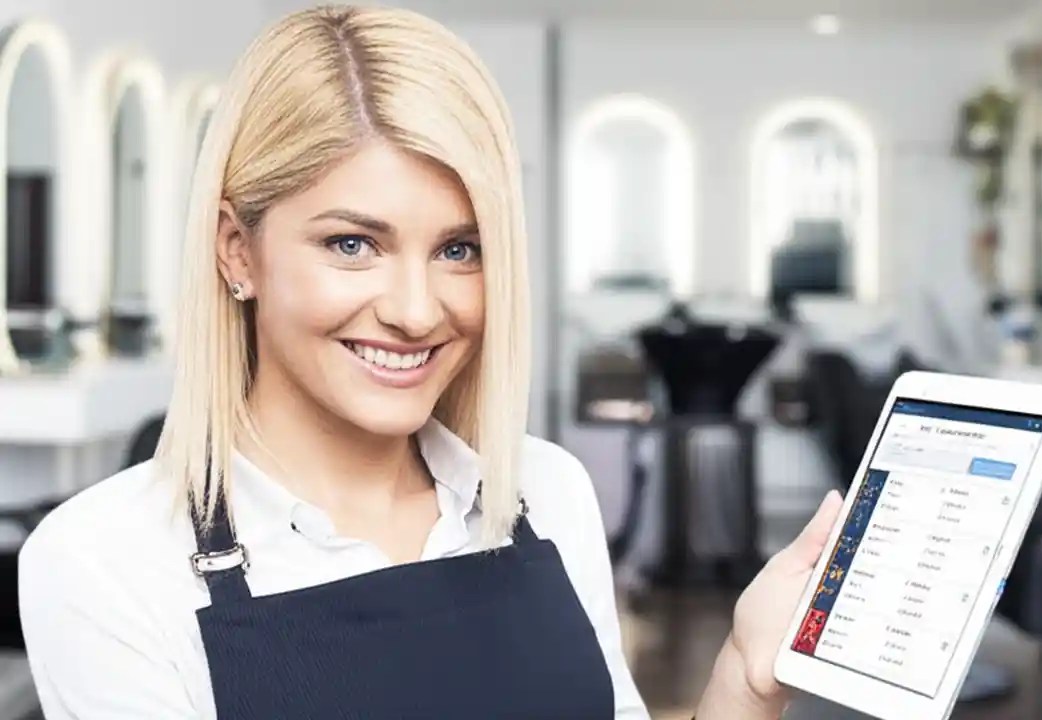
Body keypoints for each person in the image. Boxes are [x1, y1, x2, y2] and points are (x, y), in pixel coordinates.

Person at [17, 6, 842, 719]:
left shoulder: (545, 495)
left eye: (459, 248)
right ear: (238, 251)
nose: (416, 310)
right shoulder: (105, 561)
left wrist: (744, 677)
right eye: (353, 243)